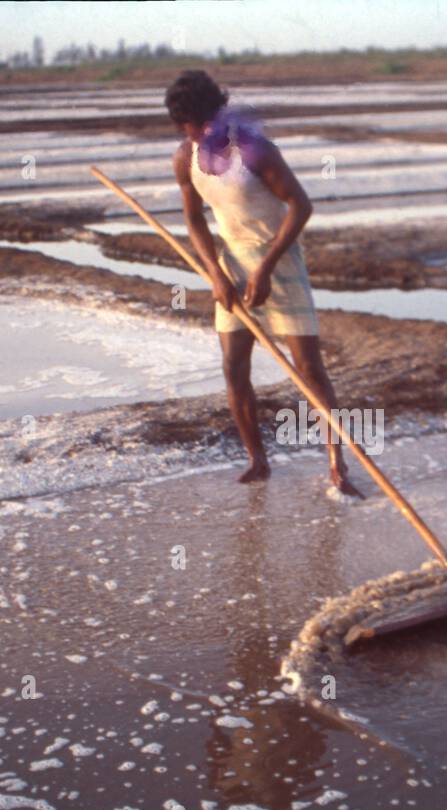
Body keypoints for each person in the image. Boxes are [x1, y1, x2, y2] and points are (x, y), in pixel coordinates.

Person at [166, 70, 362, 496]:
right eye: (189, 126)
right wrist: (216, 274)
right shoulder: (185, 157)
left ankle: (337, 465)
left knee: (309, 371)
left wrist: (266, 268)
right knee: (234, 369)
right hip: (231, 269)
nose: (199, 133)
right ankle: (257, 460)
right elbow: (194, 218)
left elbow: (300, 206)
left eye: (203, 122)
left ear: (216, 112)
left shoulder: (255, 150)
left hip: (280, 264)